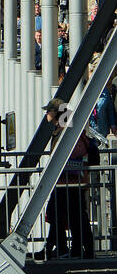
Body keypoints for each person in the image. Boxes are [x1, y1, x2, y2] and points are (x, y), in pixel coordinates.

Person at [41, 99, 94, 260]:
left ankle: (59, 248)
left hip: (70, 182)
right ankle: (65, 248)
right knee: (67, 215)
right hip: (68, 182)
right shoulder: (64, 129)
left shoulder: (67, 132)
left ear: (56, 113)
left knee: (66, 215)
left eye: (49, 111)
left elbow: (75, 153)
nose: (46, 113)